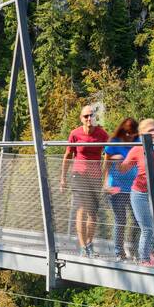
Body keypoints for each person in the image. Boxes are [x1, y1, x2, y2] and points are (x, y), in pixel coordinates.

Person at [115, 118, 154, 266]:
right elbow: (123, 169)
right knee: (148, 228)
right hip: (141, 194)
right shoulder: (137, 149)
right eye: (149, 130)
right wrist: (117, 160)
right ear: (141, 134)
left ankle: (152, 253)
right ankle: (144, 258)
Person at [61, 104, 109, 258]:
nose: (89, 118)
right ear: (81, 118)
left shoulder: (102, 134)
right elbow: (68, 156)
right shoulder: (75, 134)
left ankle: (89, 244)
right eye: (86, 116)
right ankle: (82, 247)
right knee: (81, 209)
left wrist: (107, 178)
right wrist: (63, 178)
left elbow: (109, 155)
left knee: (93, 214)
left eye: (91, 115)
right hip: (79, 175)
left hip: (95, 176)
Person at [103, 118, 139, 261]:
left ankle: (133, 248)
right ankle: (119, 252)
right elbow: (106, 163)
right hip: (116, 187)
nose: (130, 136)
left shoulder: (138, 141)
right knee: (120, 219)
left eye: (133, 133)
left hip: (134, 187)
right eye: (127, 132)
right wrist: (105, 183)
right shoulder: (114, 142)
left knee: (137, 219)